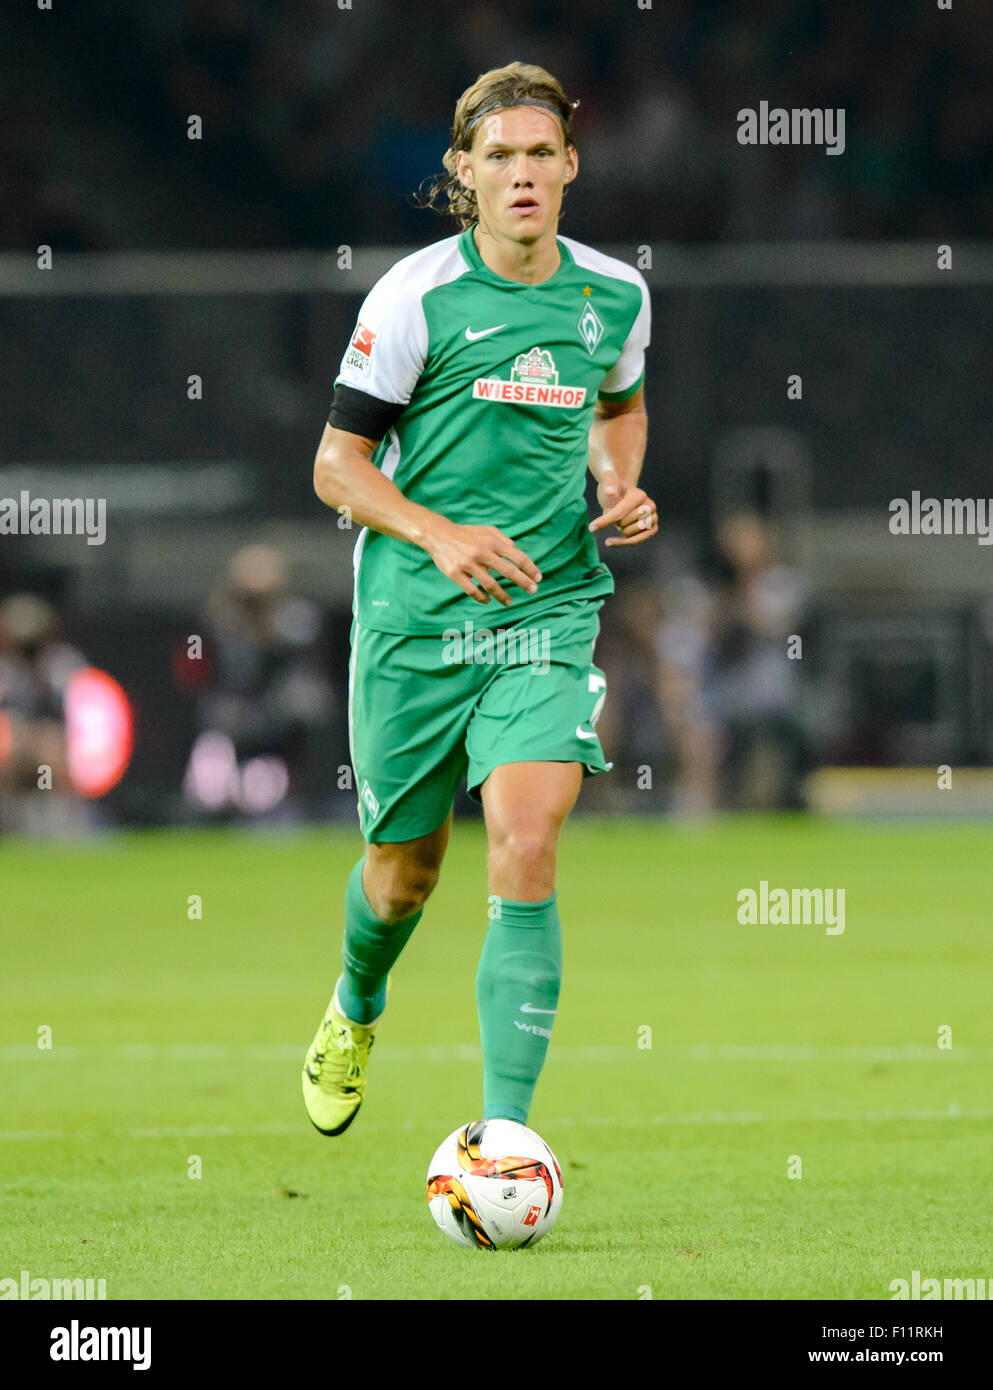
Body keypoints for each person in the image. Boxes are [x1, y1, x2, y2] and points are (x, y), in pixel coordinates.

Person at [303, 61, 657, 1138]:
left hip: (543, 611)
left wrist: (617, 480)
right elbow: (336, 467)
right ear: (462, 171)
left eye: (540, 154)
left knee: (526, 836)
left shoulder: (617, 294)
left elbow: (620, 406)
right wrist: (438, 530)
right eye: (497, 156)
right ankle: (358, 1005)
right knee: (405, 876)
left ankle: (504, 1137)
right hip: (414, 619)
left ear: (570, 166)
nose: (521, 174)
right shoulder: (415, 296)